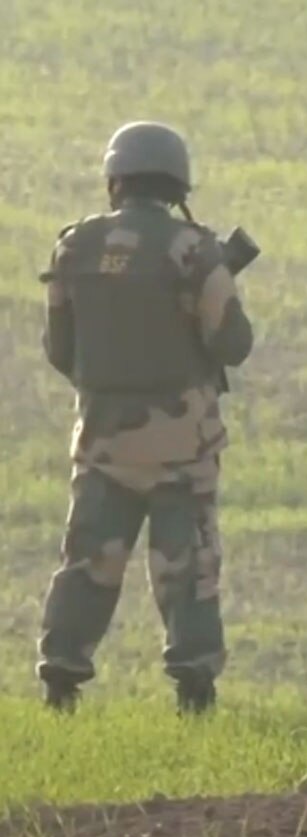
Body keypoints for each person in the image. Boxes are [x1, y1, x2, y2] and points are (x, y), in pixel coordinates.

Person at [35, 121, 254, 715]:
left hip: (102, 442)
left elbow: (61, 350)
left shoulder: (74, 247)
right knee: (187, 569)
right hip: (183, 446)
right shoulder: (194, 249)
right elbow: (233, 343)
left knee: (86, 564)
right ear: (177, 181)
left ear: (116, 180)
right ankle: (194, 691)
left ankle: (61, 681)